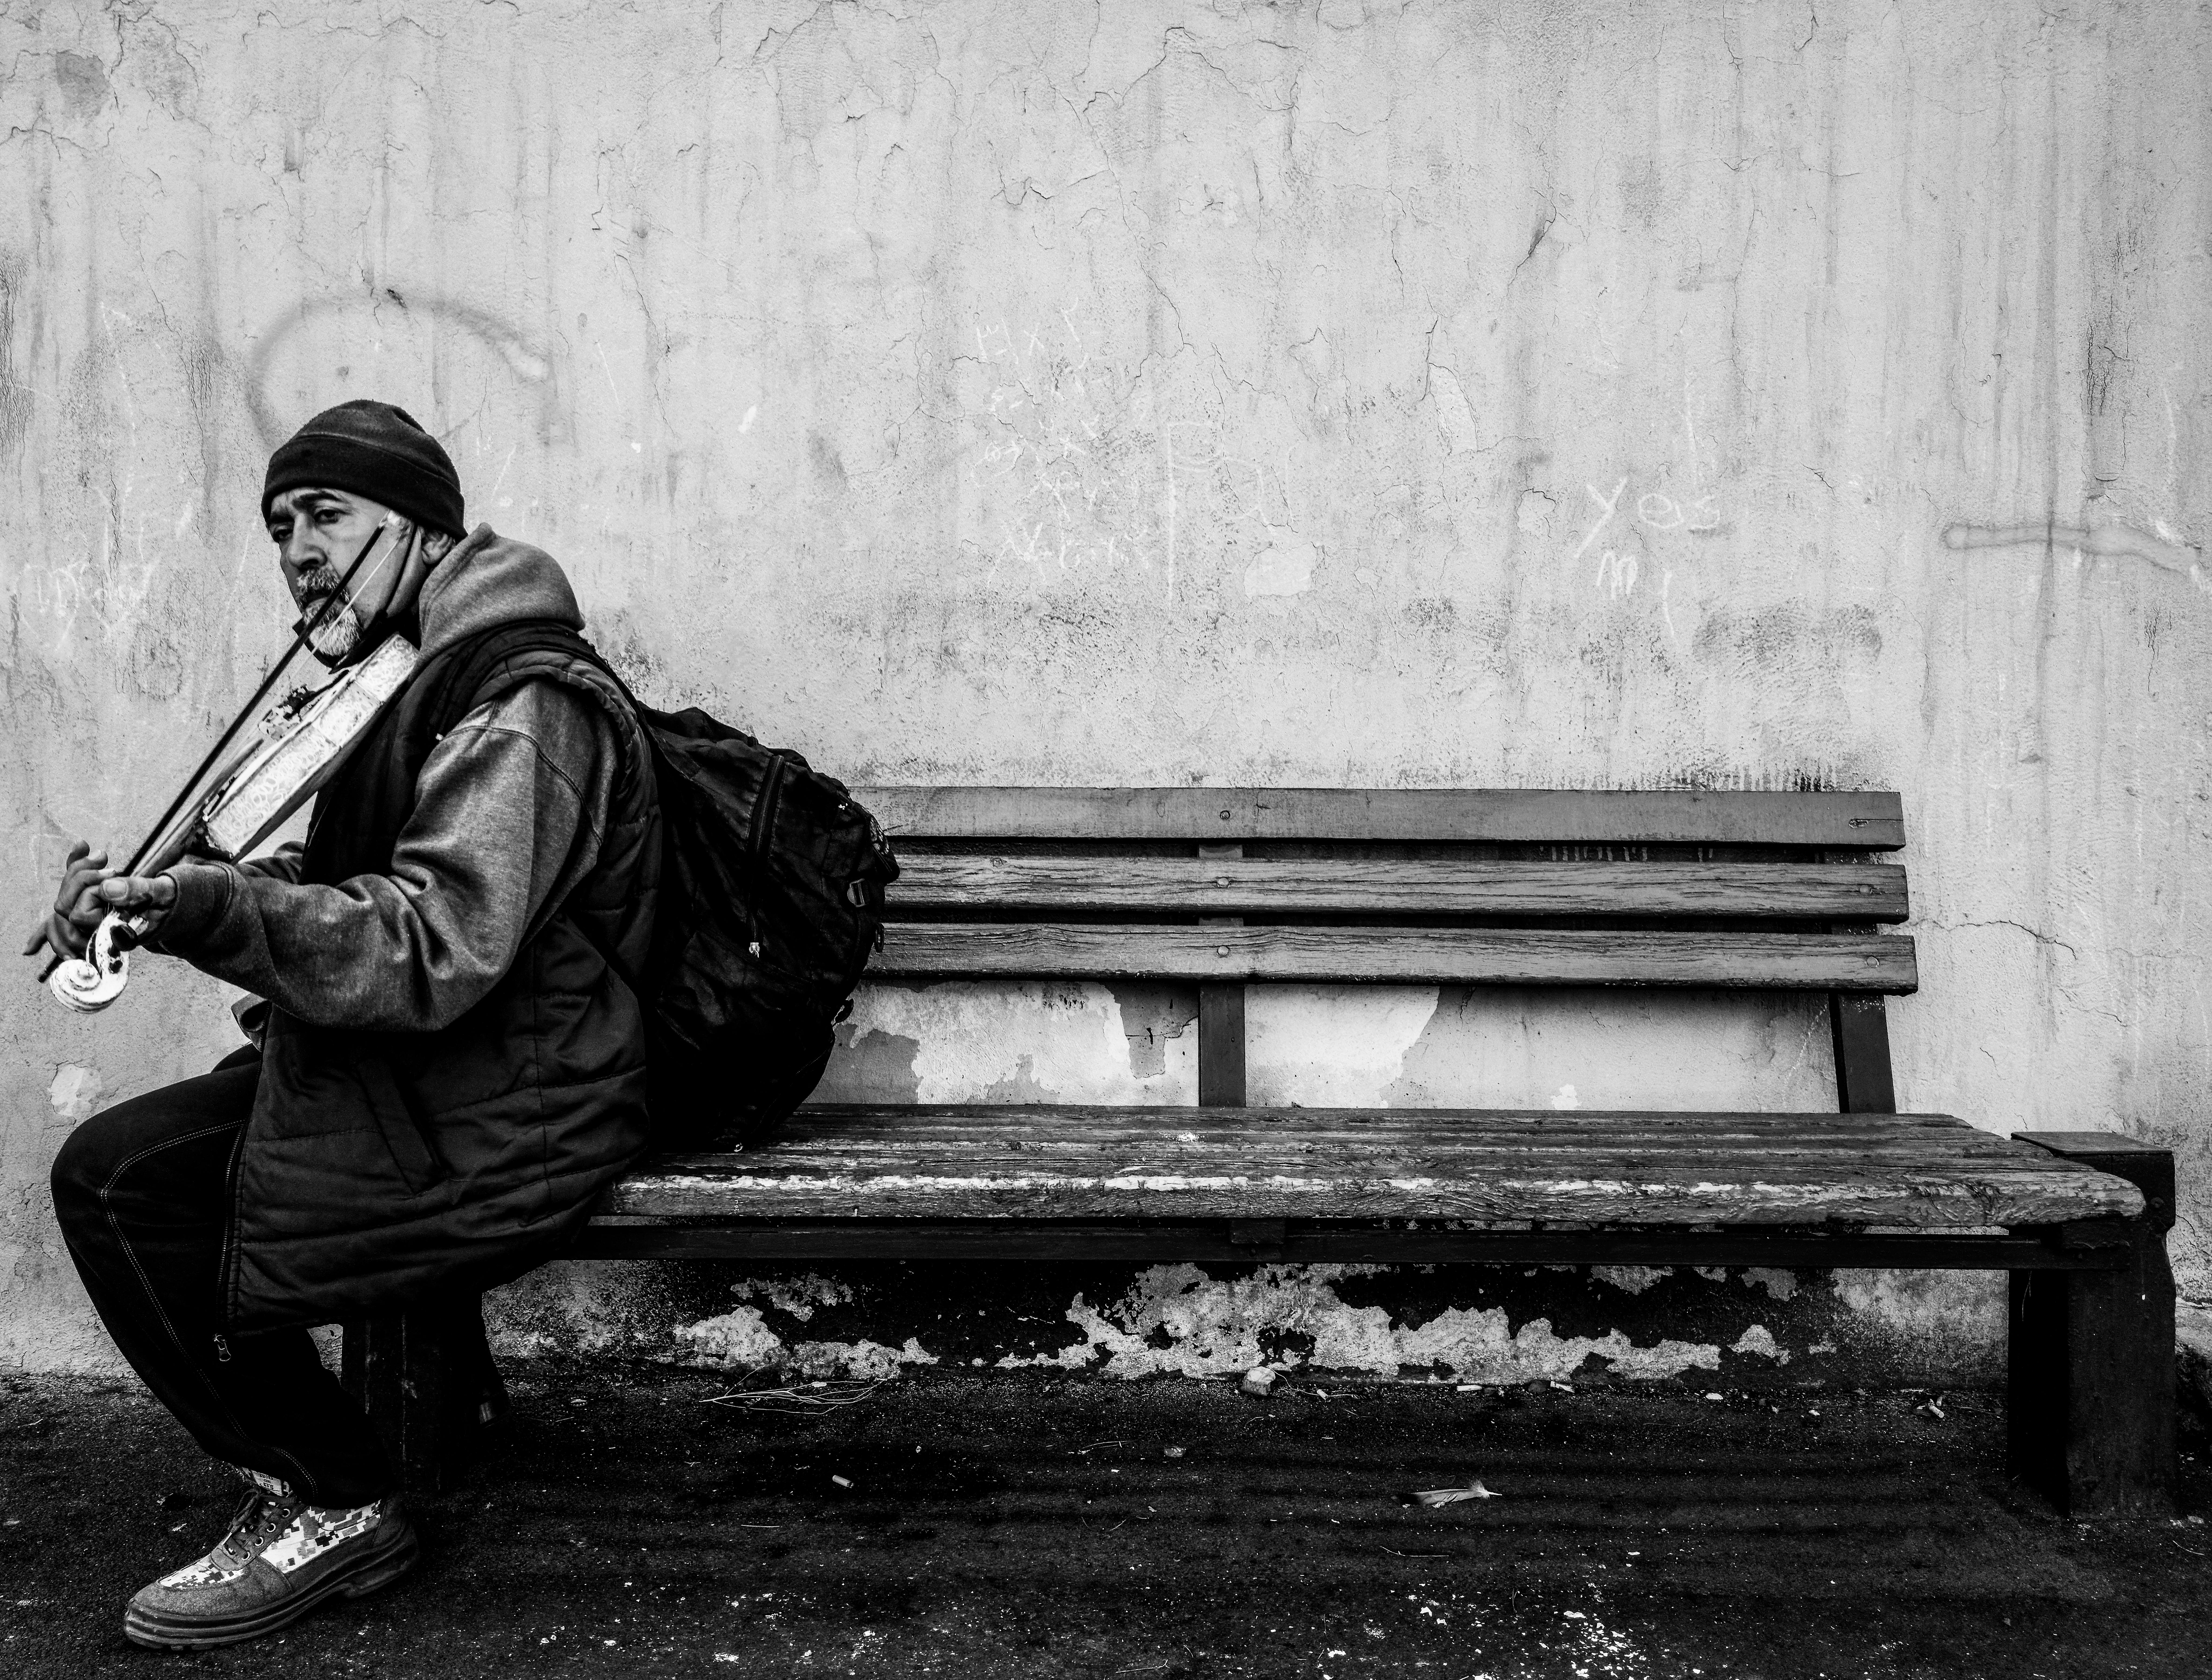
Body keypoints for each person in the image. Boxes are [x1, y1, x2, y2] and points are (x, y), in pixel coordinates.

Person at [30, 400, 662, 1650]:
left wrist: (217, 906)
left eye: (326, 516)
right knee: (147, 1165)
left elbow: (433, 944)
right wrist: (160, 905)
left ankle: (331, 1496)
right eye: (279, 528)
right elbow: (347, 903)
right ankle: (349, 1464)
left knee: (118, 1183)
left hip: (512, 1090)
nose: (298, 551)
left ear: (423, 527)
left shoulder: (522, 699)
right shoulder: (414, 679)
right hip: (444, 1068)